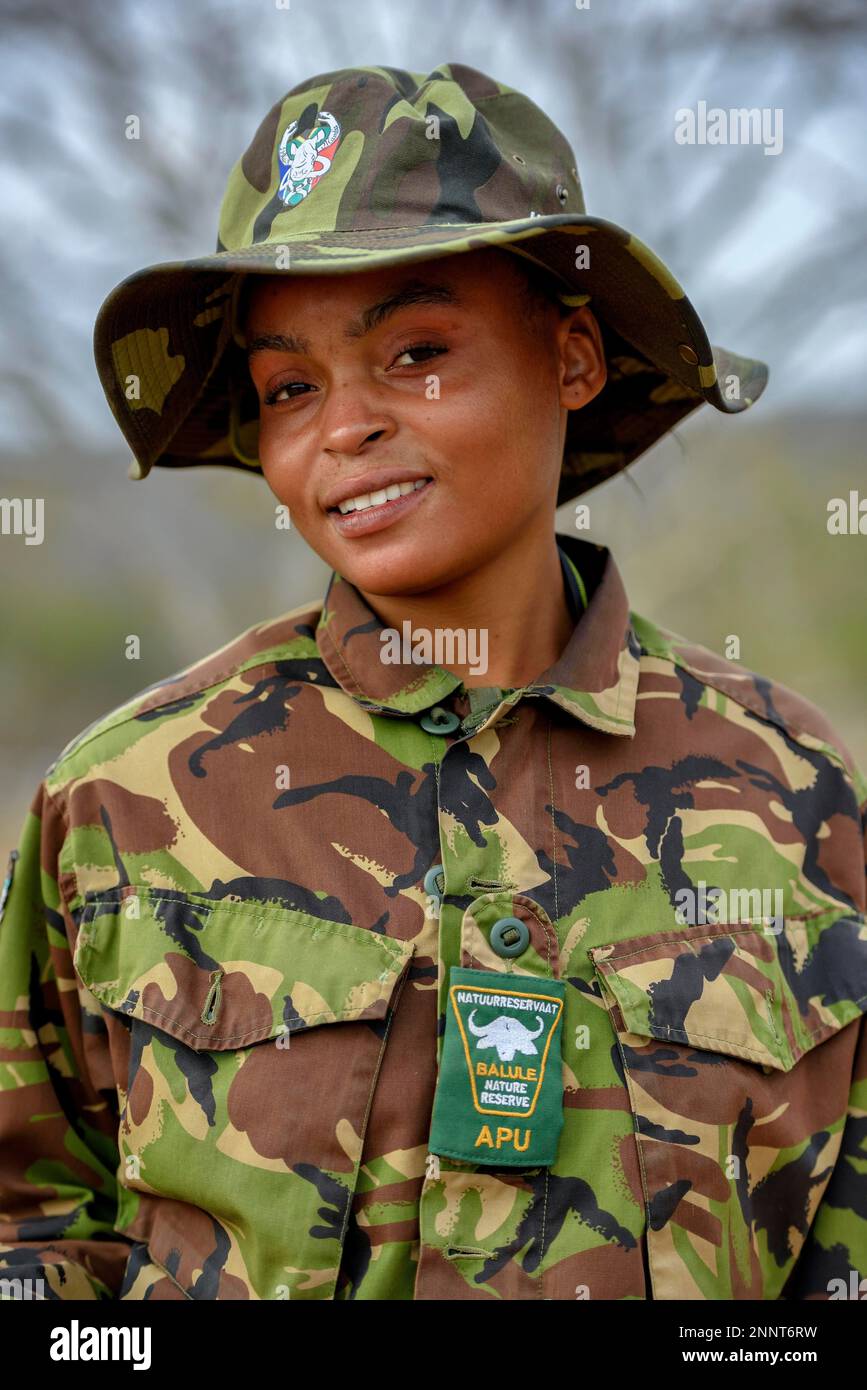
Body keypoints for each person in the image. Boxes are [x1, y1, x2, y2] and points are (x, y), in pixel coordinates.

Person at [1, 62, 864, 1303]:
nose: (341, 427)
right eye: (288, 386)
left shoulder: (795, 792)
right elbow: (30, 1236)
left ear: (572, 359)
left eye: (414, 353)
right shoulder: (125, 797)